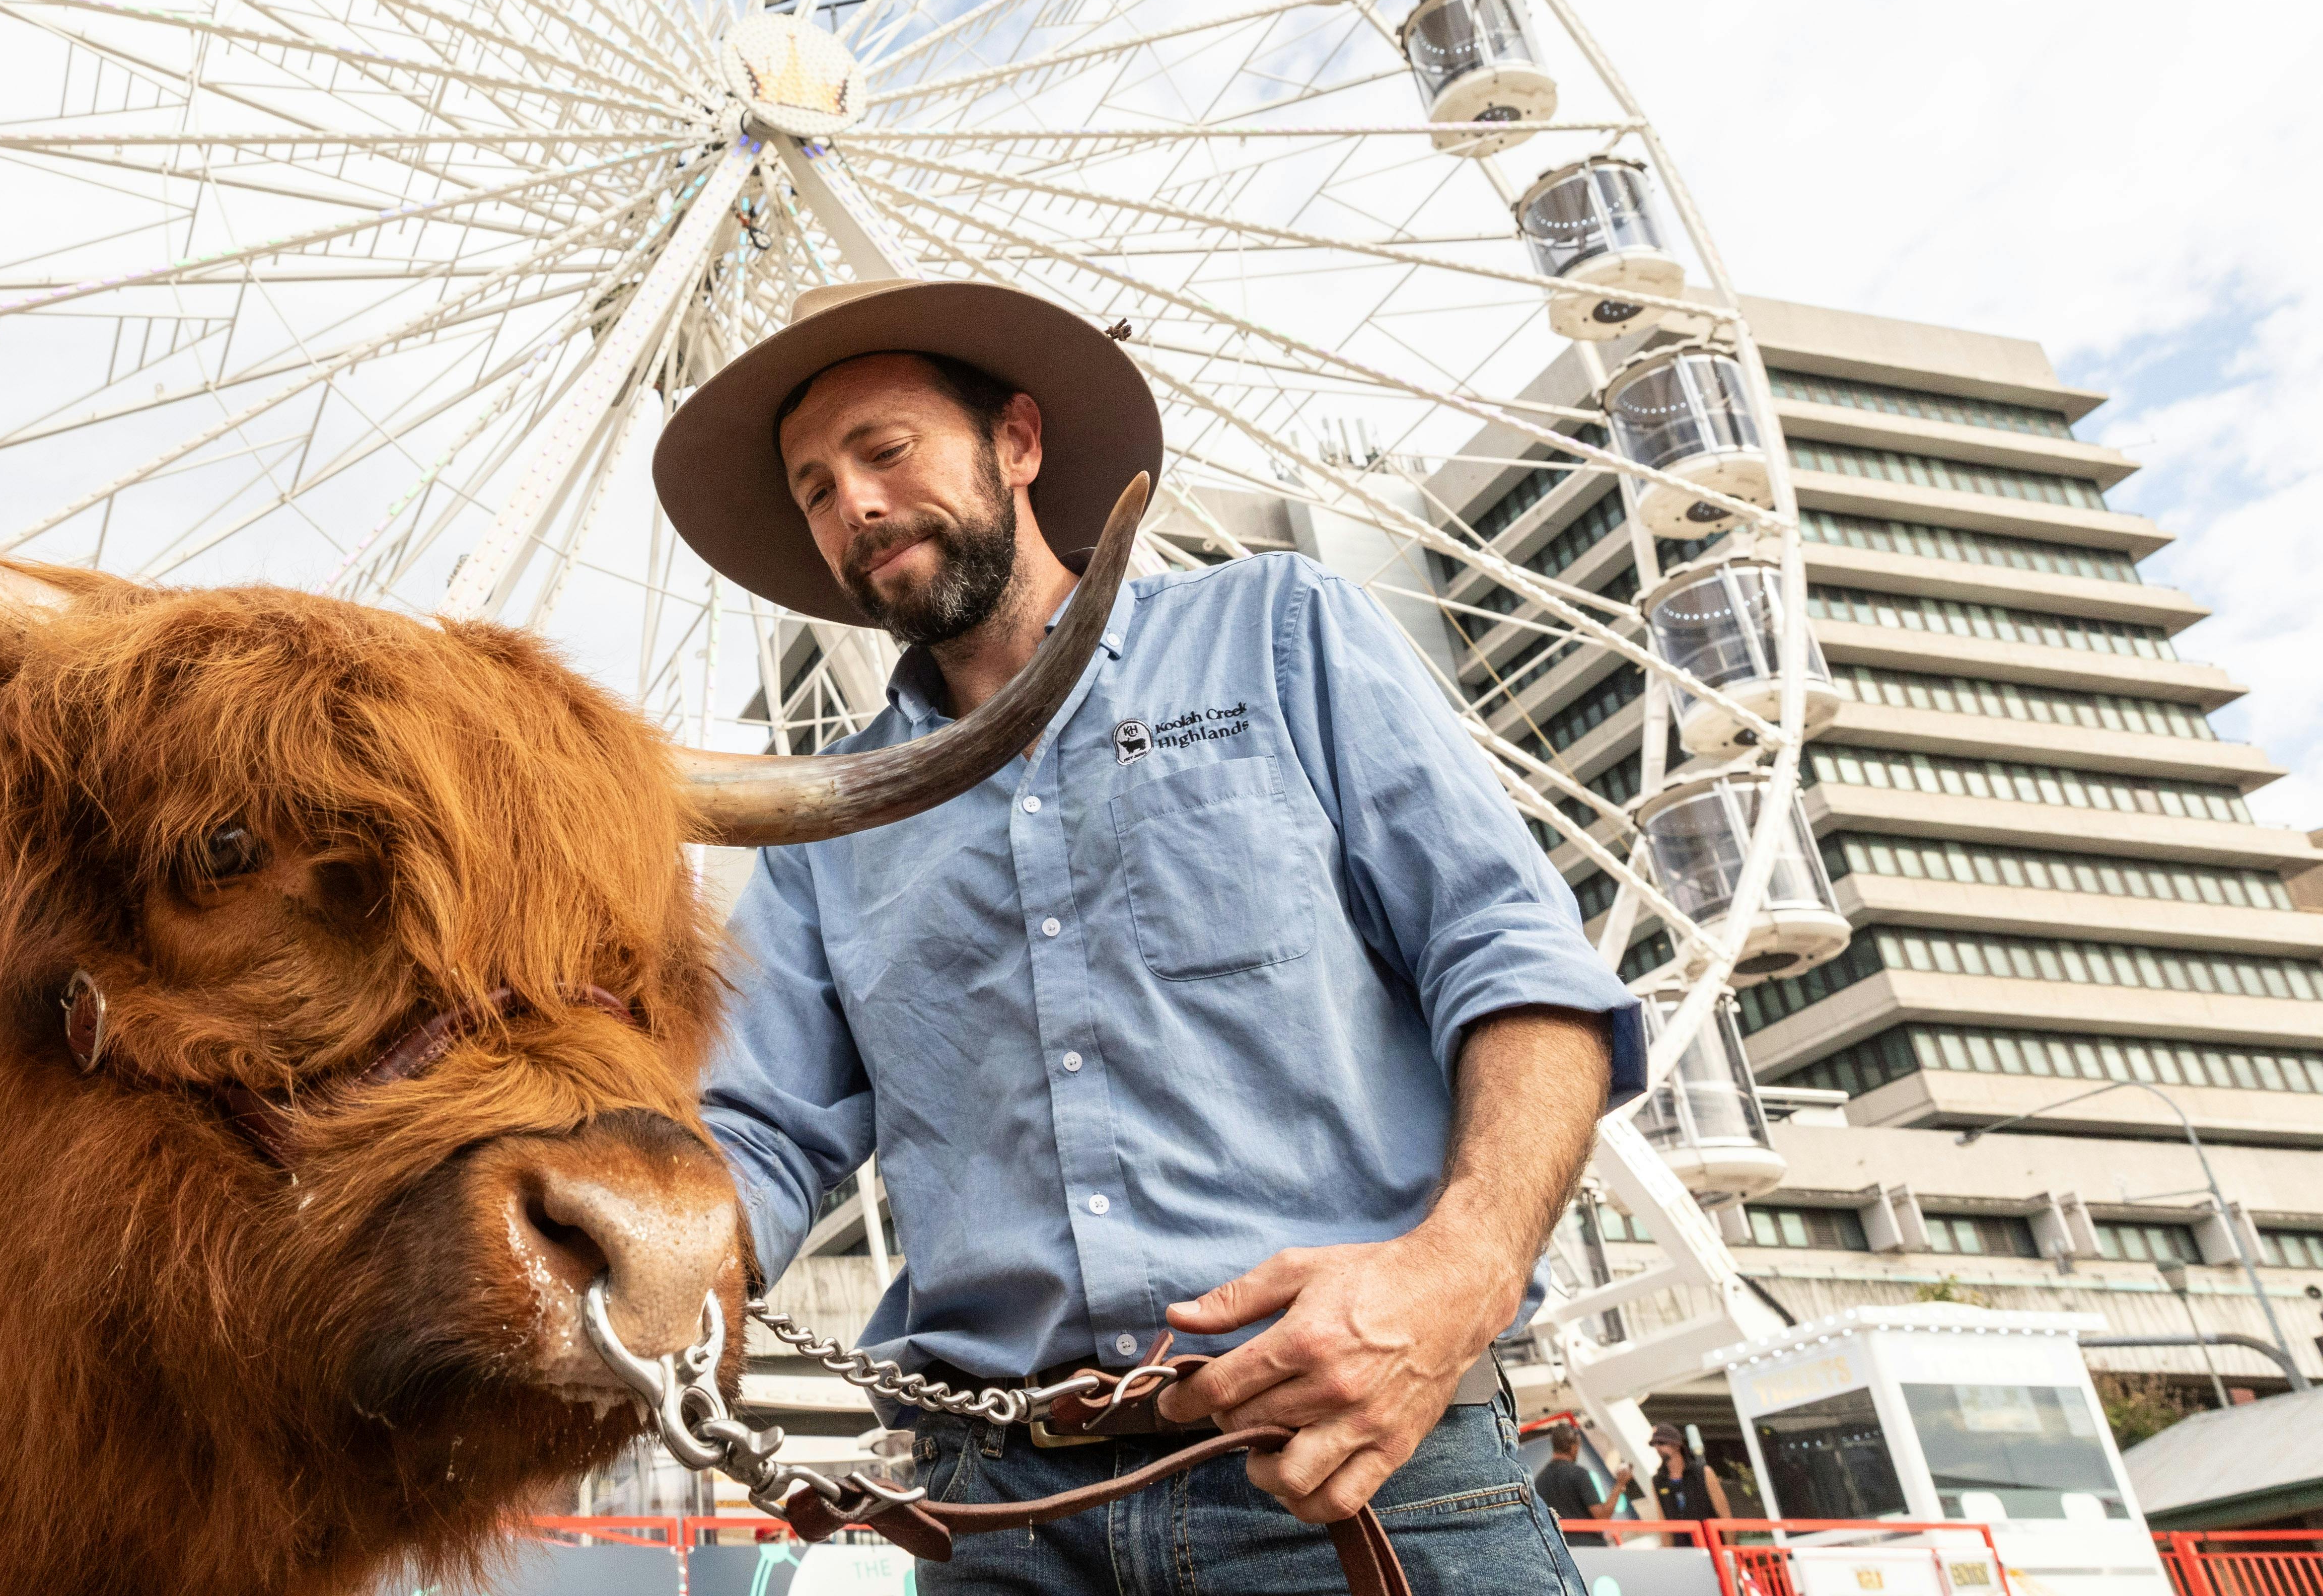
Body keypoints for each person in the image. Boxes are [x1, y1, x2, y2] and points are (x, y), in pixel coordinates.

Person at [665, 278, 1647, 1596]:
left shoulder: (1278, 631)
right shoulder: (824, 826)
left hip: (1350, 1460)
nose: (853, 505)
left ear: (1015, 443)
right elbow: (760, 1134)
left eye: (883, 451)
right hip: (994, 1510)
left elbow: (1511, 964)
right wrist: (623, 1257)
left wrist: (1459, 1272)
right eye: (813, 490)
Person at [1533, 1429, 1610, 1547]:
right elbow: (1601, 1516)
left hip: (1562, 1549)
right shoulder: (1579, 1474)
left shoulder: (1539, 1480)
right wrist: (1620, 1484)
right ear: (1573, 1447)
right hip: (1592, 1547)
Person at [1649, 1432, 1729, 1524]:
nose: (1658, 1448)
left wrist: (1729, 1537)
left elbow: (1724, 1513)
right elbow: (1664, 1521)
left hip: (1708, 1535)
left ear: (1677, 1445)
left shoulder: (1703, 1472)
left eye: (1662, 1443)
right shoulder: (1659, 1481)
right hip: (1681, 1536)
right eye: (1655, 1445)